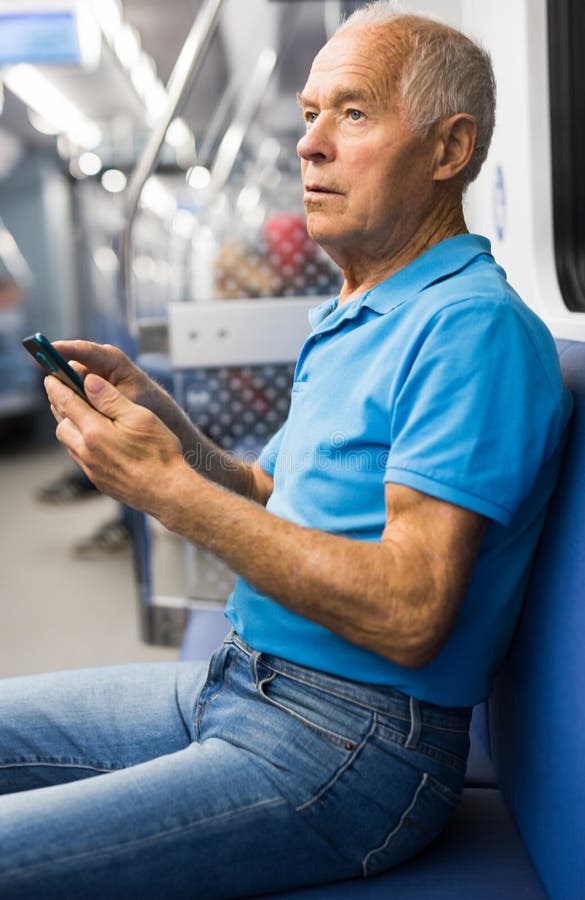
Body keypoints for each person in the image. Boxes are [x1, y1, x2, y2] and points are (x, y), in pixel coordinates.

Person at [0, 4, 573, 898]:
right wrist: (169, 430)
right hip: (243, 678)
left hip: (353, 748)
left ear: (449, 149)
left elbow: (412, 610)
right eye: (309, 113)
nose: (310, 144)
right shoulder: (355, 311)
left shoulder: (471, 332)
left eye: (351, 113)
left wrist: (167, 494)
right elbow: (272, 489)